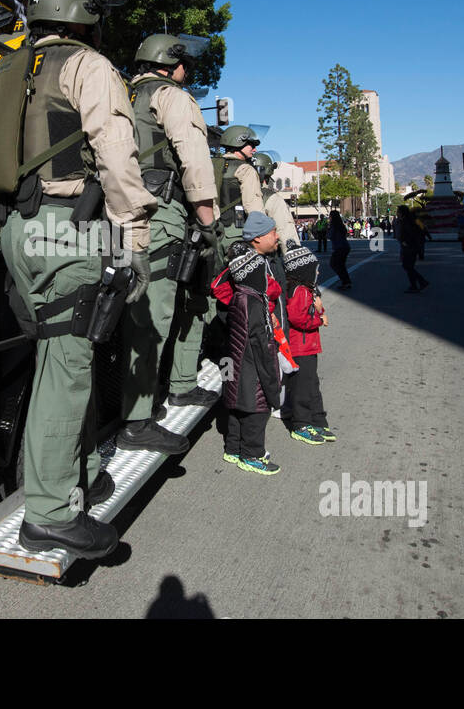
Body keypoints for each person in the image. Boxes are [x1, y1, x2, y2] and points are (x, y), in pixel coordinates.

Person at [0, 0, 156, 558]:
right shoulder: (89, 67)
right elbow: (115, 152)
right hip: (66, 231)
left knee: (56, 357)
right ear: (84, 14)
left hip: (17, 230)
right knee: (68, 364)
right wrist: (134, 234)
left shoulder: (12, 66)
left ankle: (75, 470)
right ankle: (50, 512)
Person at [121, 33, 220, 437]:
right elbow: (194, 158)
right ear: (171, 65)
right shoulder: (173, 96)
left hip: (118, 211)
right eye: (186, 66)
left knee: (136, 308)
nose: (187, 73)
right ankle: (138, 418)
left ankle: (152, 396)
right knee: (154, 312)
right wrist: (207, 218)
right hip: (159, 213)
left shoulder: (125, 97)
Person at [210, 212, 283, 475]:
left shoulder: (239, 294)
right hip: (251, 364)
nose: (277, 236)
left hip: (234, 357)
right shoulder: (254, 298)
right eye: (273, 232)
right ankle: (252, 454)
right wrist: (273, 383)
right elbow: (262, 347)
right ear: (259, 238)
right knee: (256, 407)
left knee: (236, 402)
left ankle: (233, 448)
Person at [280, 243, 333, 445]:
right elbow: (299, 318)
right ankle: (300, 424)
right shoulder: (299, 290)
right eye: (314, 268)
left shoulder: (305, 289)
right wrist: (320, 319)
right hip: (300, 347)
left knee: (312, 384)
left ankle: (318, 419)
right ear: (304, 269)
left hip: (308, 346)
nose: (317, 272)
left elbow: (310, 310)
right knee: (302, 387)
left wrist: (318, 307)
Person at [214, 125, 265, 249]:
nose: (254, 150)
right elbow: (254, 208)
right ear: (238, 142)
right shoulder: (245, 169)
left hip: (210, 232)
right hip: (236, 234)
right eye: (251, 145)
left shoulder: (211, 165)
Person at [396, 205, 429, 292]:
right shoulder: (407, 220)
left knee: (407, 266)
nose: (397, 213)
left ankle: (420, 282)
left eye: (398, 211)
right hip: (410, 247)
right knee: (408, 266)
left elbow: (411, 234)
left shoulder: (407, 221)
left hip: (410, 248)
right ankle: (416, 284)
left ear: (402, 213)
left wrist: (405, 242)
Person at [328, 209, 352, 288]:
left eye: (330, 216)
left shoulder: (333, 225)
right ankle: (346, 282)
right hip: (344, 246)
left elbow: (330, 236)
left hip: (339, 247)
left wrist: (327, 231)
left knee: (334, 264)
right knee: (341, 265)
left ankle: (345, 281)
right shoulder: (340, 225)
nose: (329, 217)